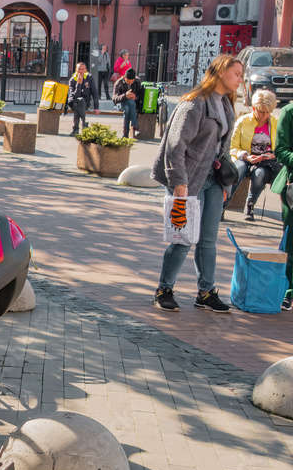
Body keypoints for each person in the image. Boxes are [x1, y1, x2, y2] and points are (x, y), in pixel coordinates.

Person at [151, 53, 242, 314]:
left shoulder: (224, 104)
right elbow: (173, 147)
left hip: (213, 181)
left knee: (208, 240)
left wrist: (225, 186)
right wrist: (179, 184)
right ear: (221, 72)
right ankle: (163, 290)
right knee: (183, 238)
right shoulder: (194, 105)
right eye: (236, 74)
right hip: (187, 180)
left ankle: (206, 292)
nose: (240, 80)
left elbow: (221, 148)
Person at [229, 89, 280, 221]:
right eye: (261, 111)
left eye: (268, 112)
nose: (264, 115)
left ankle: (250, 205)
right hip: (245, 158)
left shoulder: (276, 122)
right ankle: (223, 204)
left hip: (265, 161)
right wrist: (246, 156)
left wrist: (273, 155)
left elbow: (282, 147)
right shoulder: (243, 121)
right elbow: (233, 147)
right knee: (238, 171)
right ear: (254, 108)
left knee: (260, 175)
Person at [270, 99, 293, 310]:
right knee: (291, 241)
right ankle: (286, 290)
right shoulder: (289, 111)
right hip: (292, 185)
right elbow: (281, 151)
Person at [67, 62, 99, 136]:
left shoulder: (89, 78)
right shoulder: (72, 80)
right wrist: (79, 84)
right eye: (79, 69)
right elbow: (75, 96)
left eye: (82, 69)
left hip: (85, 102)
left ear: (86, 70)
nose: (80, 71)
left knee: (79, 103)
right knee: (78, 101)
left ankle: (75, 129)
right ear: (75, 70)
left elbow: (94, 92)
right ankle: (84, 125)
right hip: (73, 101)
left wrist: (96, 107)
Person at [113, 68, 145, 138]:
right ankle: (135, 127)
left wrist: (135, 97)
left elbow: (141, 96)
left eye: (132, 81)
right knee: (130, 103)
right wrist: (125, 96)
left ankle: (125, 134)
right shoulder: (118, 83)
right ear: (124, 78)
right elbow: (114, 99)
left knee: (127, 108)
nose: (130, 83)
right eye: (128, 81)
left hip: (131, 105)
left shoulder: (137, 81)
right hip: (121, 103)